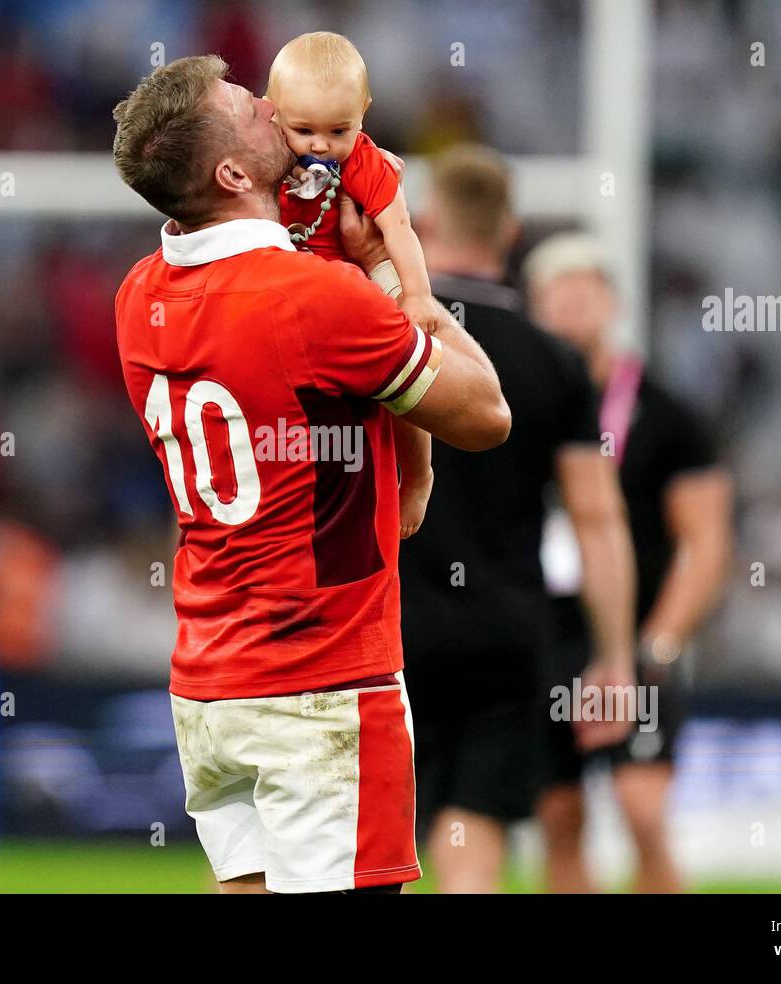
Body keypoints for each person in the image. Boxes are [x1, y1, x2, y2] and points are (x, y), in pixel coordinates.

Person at [111, 56, 510, 894]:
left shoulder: (137, 295)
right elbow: (484, 414)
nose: (266, 101)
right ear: (229, 171)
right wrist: (385, 277)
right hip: (321, 680)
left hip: (209, 682)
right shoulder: (314, 295)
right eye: (243, 104)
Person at [398, 144, 638, 893]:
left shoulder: (381, 335)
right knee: (473, 848)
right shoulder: (554, 361)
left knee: (372, 847)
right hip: (502, 633)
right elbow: (597, 521)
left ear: (426, 221)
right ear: (509, 234)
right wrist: (615, 659)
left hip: (382, 627)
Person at [526, 232, 734, 893]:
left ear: (612, 301)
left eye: (586, 291)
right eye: (557, 295)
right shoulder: (516, 409)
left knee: (643, 809)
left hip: (638, 634)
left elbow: (706, 541)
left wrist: (662, 644)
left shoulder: (669, 416)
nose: (572, 307)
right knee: (558, 815)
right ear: (533, 308)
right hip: (545, 635)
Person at [266, 31, 437, 540]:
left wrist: (418, 292)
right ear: (270, 111)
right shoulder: (264, 155)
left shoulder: (363, 160)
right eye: (304, 130)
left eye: (339, 130)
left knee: (408, 381)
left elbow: (398, 228)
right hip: (284, 294)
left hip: (352, 289)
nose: (320, 145)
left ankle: (420, 473)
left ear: (364, 112)